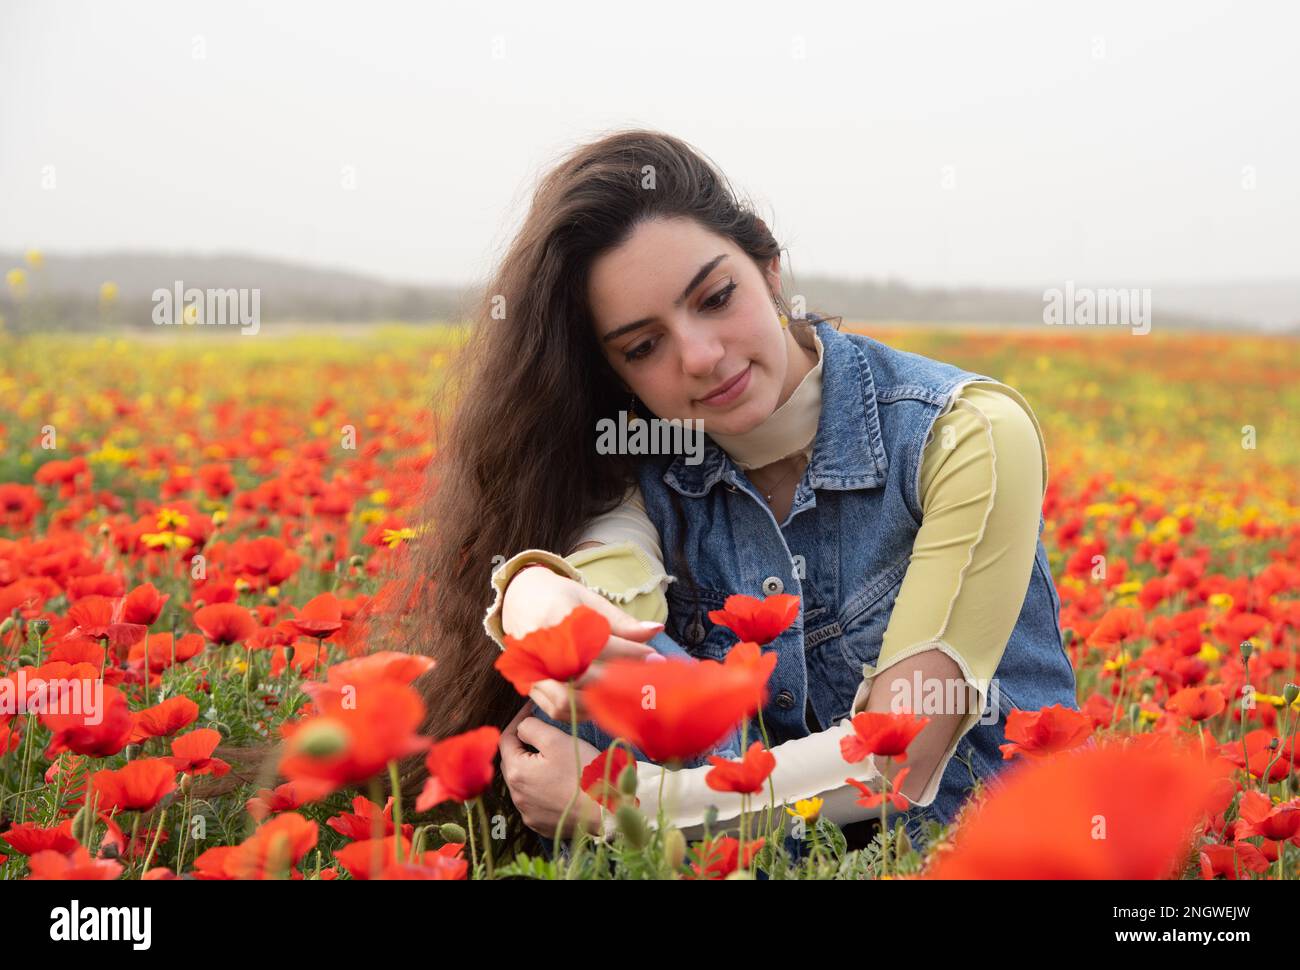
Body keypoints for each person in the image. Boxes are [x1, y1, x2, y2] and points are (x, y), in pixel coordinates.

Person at [396, 128, 1078, 862]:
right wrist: (533, 591)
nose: (700, 356)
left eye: (716, 298)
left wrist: (623, 808)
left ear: (770, 267)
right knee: (585, 663)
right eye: (643, 347)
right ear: (616, 372)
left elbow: (896, 758)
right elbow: (611, 592)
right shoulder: (641, 452)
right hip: (755, 854)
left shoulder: (966, 432)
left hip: (957, 850)